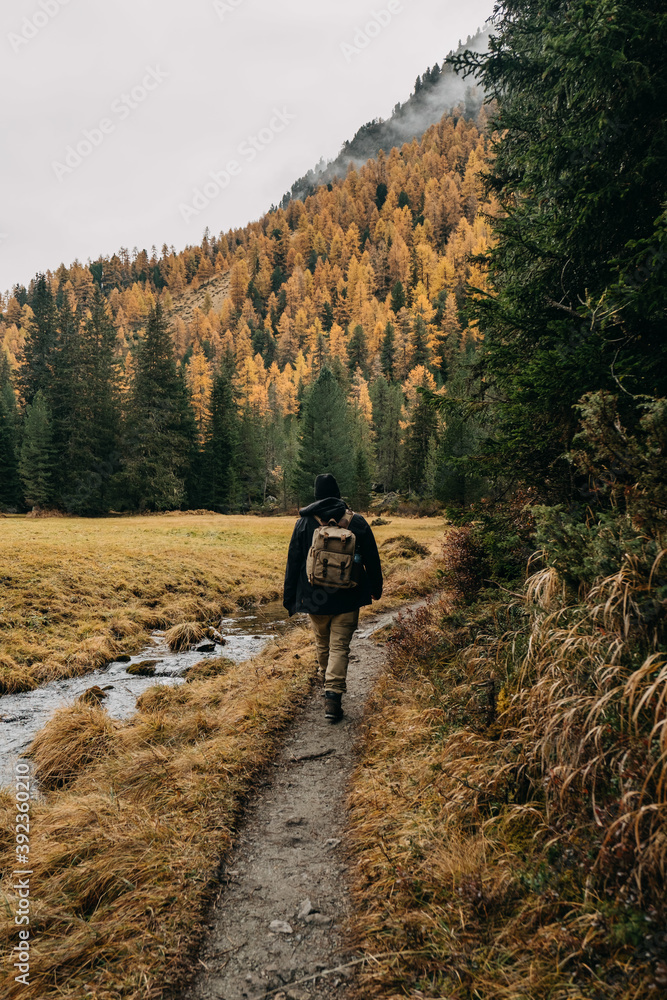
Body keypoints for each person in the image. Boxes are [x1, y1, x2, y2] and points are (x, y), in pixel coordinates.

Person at [283, 473, 383, 722]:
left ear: (316, 495)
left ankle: (327, 684)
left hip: (314, 597)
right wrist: (376, 587)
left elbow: (293, 561)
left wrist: (289, 598)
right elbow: (372, 557)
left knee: (322, 642)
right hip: (349, 596)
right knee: (340, 646)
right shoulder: (356, 521)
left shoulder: (304, 523)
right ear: (338, 493)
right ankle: (333, 696)